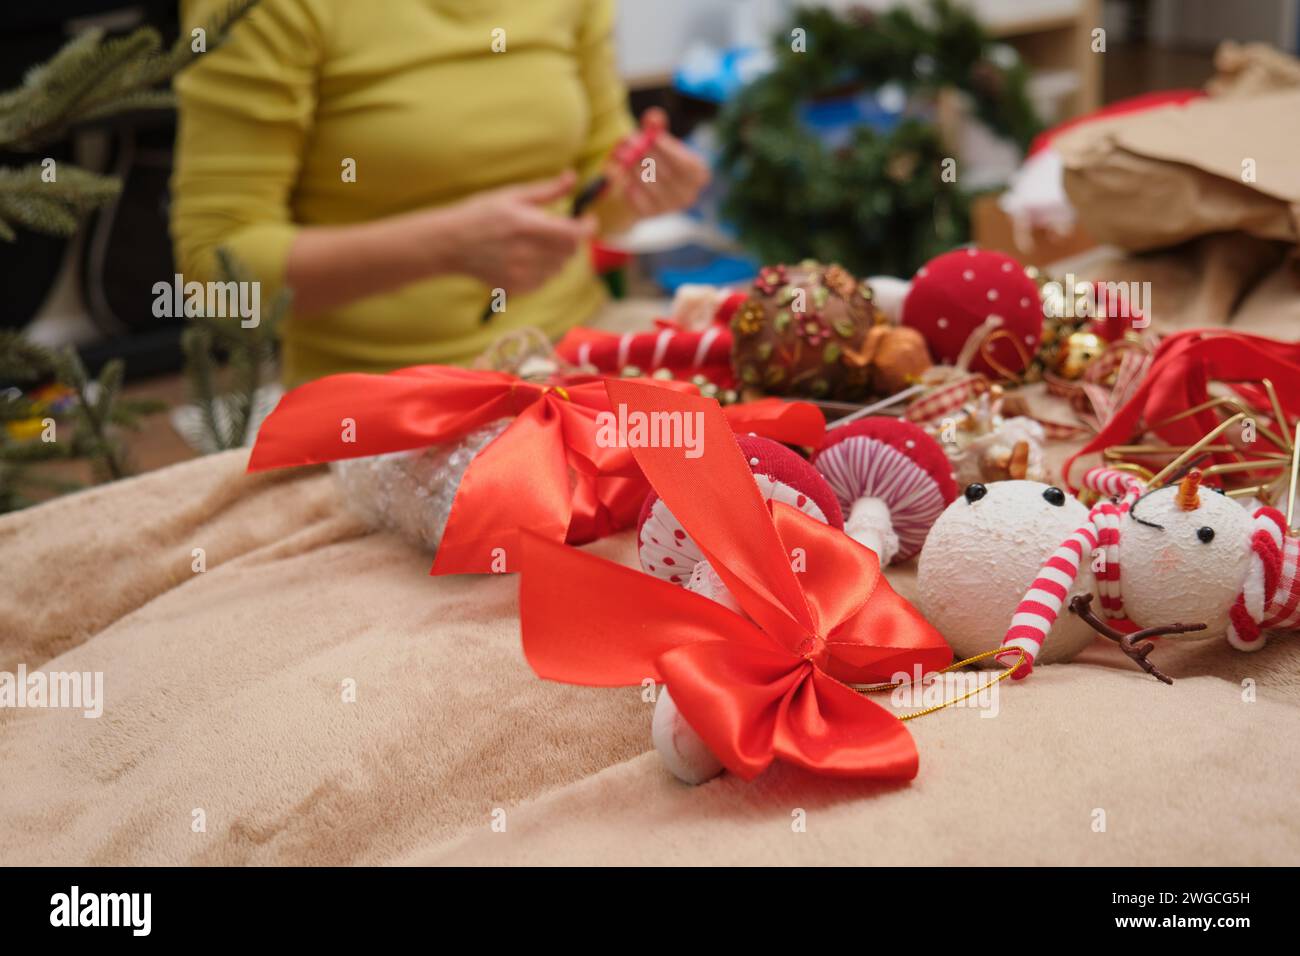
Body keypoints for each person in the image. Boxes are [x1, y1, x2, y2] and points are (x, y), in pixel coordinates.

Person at [171, 0, 708, 384]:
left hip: (571, 353)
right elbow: (214, 275)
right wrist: (441, 247)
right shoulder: (262, 11)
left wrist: (644, 184)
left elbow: (598, 178)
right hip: (384, 398)